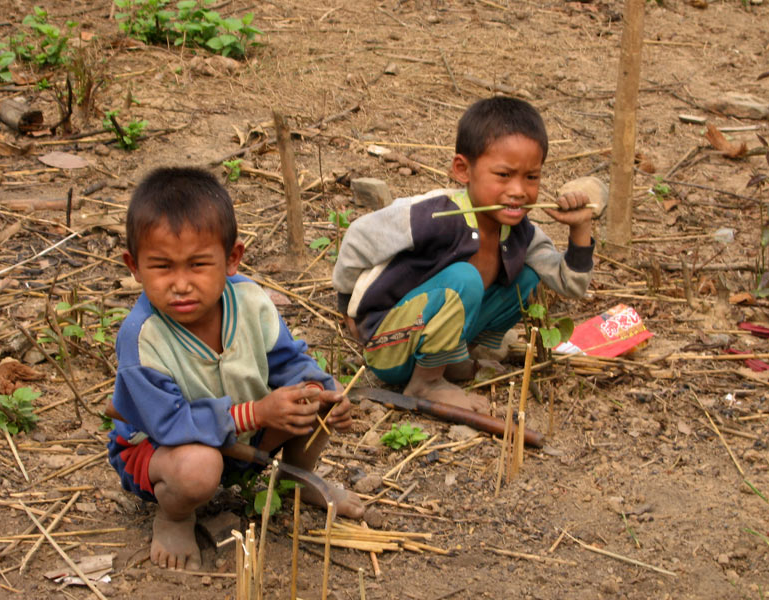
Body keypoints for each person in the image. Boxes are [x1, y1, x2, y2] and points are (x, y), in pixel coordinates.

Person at [106, 167, 363, 571]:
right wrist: (257, 413)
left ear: (232, 259)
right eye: (162, 267)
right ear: (134, 266)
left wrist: (325, 389)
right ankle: (175, 516)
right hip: (165, 450)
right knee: (198, 468)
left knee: (311, 396)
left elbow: (287, 361)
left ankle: (297, 478)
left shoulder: (250, 302)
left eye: (197, 265)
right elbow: (168, 424)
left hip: (240, 436)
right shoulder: (143, 337)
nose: (181, 283)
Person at [333, 97, 595, 414]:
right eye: (503, 175)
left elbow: (571, 285)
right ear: (462, 170)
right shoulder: (433, 216)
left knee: (527, 278)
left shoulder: (520, 233)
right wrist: (347, 305)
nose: (519, 190)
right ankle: (426, 382)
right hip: (393, 348)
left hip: (441, 339)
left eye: (531, 177)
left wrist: (580, 229)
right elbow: (359, 236)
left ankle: (460, 360)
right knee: (464, 278)